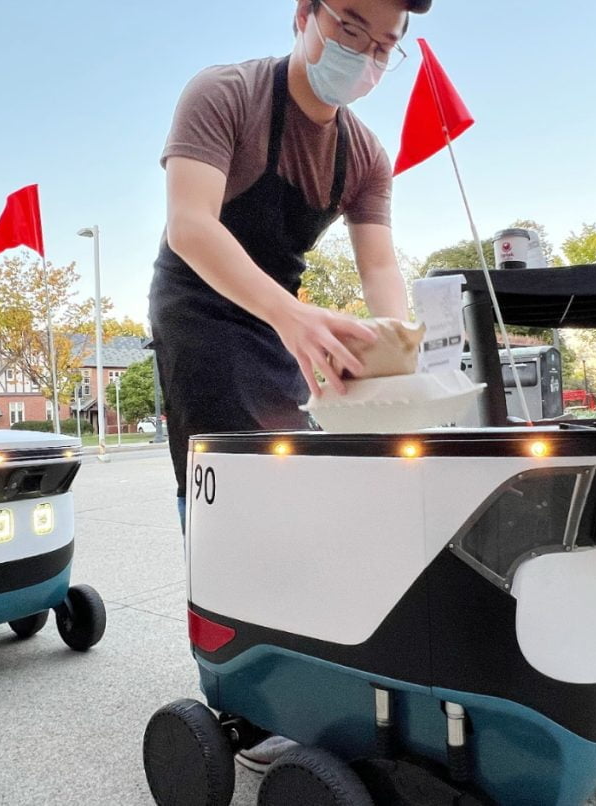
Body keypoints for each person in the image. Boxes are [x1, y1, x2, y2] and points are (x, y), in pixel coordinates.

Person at [148, 0, 431, 772]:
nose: (364, 54)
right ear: (304, 12)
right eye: (349, 26)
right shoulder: (225, 93)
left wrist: (396, 354)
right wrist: (292, 317)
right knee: (226, 480)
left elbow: (380, 269)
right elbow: (190, 226)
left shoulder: (364, 153)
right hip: (202, 306)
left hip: (287, 315)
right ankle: (236, 679)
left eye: (384, 45)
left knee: (300, 479)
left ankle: (304, 653)